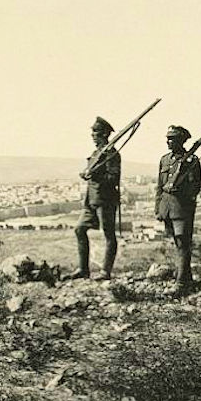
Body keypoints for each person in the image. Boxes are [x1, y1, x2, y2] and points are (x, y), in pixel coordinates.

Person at [69, 117, 121, 280]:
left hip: (105, 200)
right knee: (79, 229)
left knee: (108, 235)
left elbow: (114, 178)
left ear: (105, 134)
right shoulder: (96, 153)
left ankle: (105, 272)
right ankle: (83, 270)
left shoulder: (111, 154)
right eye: (92, 132)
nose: (93, 135)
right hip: (91, 199)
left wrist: (95, 175)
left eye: (96, 132)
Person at [156, 125, 201, 294]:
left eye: (172, 139)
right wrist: (158, 209)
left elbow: (195, 187)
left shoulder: (192, 161)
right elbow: (159, 187)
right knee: (177, 242)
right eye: (167, 138)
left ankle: (181, 284)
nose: (168, 141)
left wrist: (181, 190)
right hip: (167, 206)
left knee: (183, 243)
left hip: (182, 208)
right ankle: (186, 277)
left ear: (181, 141)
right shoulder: (165, 160)